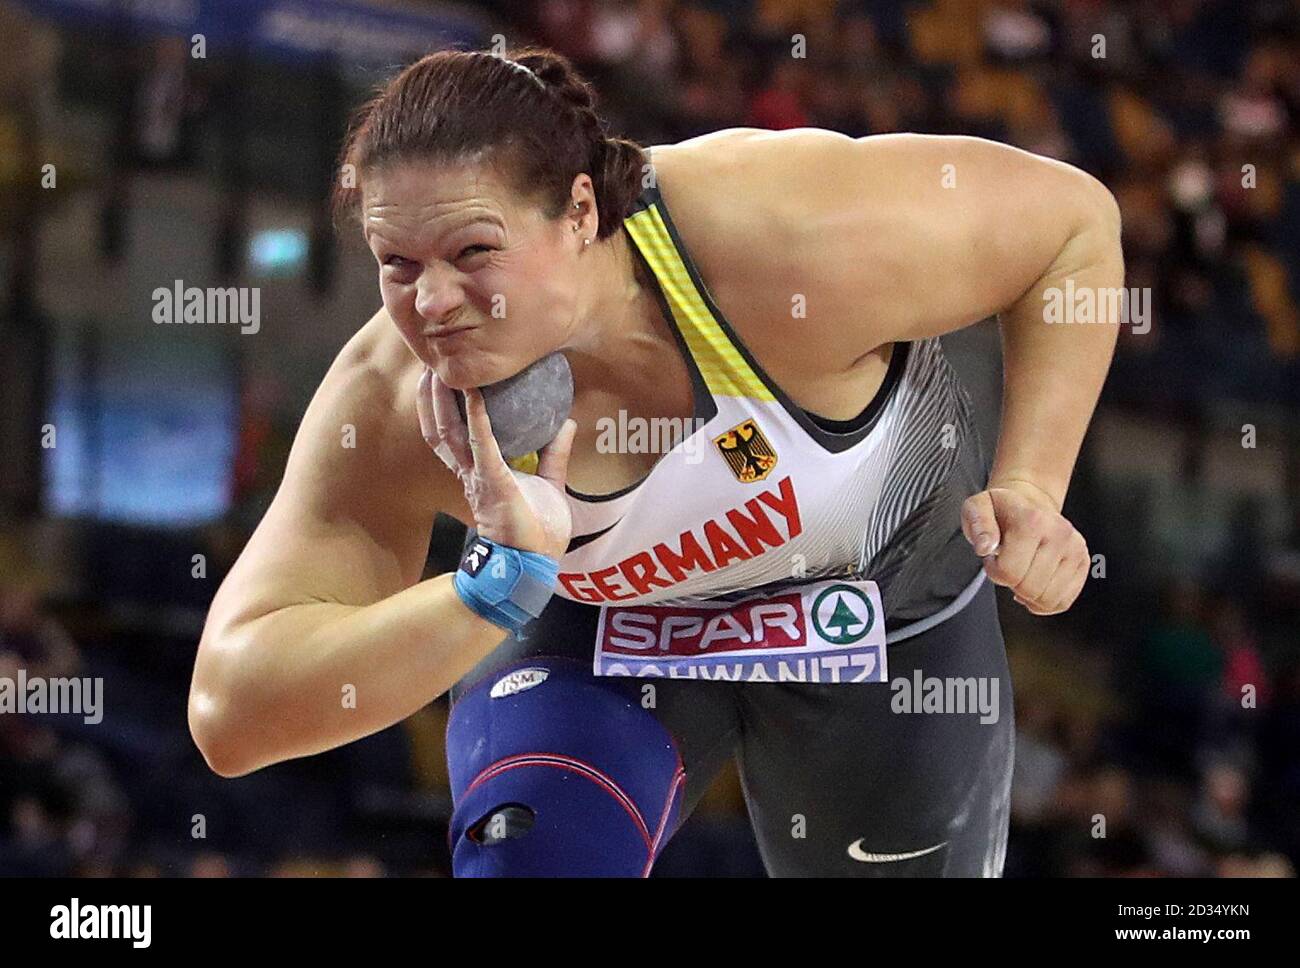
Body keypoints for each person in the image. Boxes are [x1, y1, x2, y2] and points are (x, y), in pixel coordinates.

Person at [189, 46, 1122, 876]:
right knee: (528, 859)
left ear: (580, 211)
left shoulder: (787, 240)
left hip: (890, 618)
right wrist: (488, 590)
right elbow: (233, 712)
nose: (433, 302)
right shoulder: (395, 402)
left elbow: (1074, 229)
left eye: (475, 250)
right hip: (617, 641)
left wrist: (1034, 483)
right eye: (396, 264)